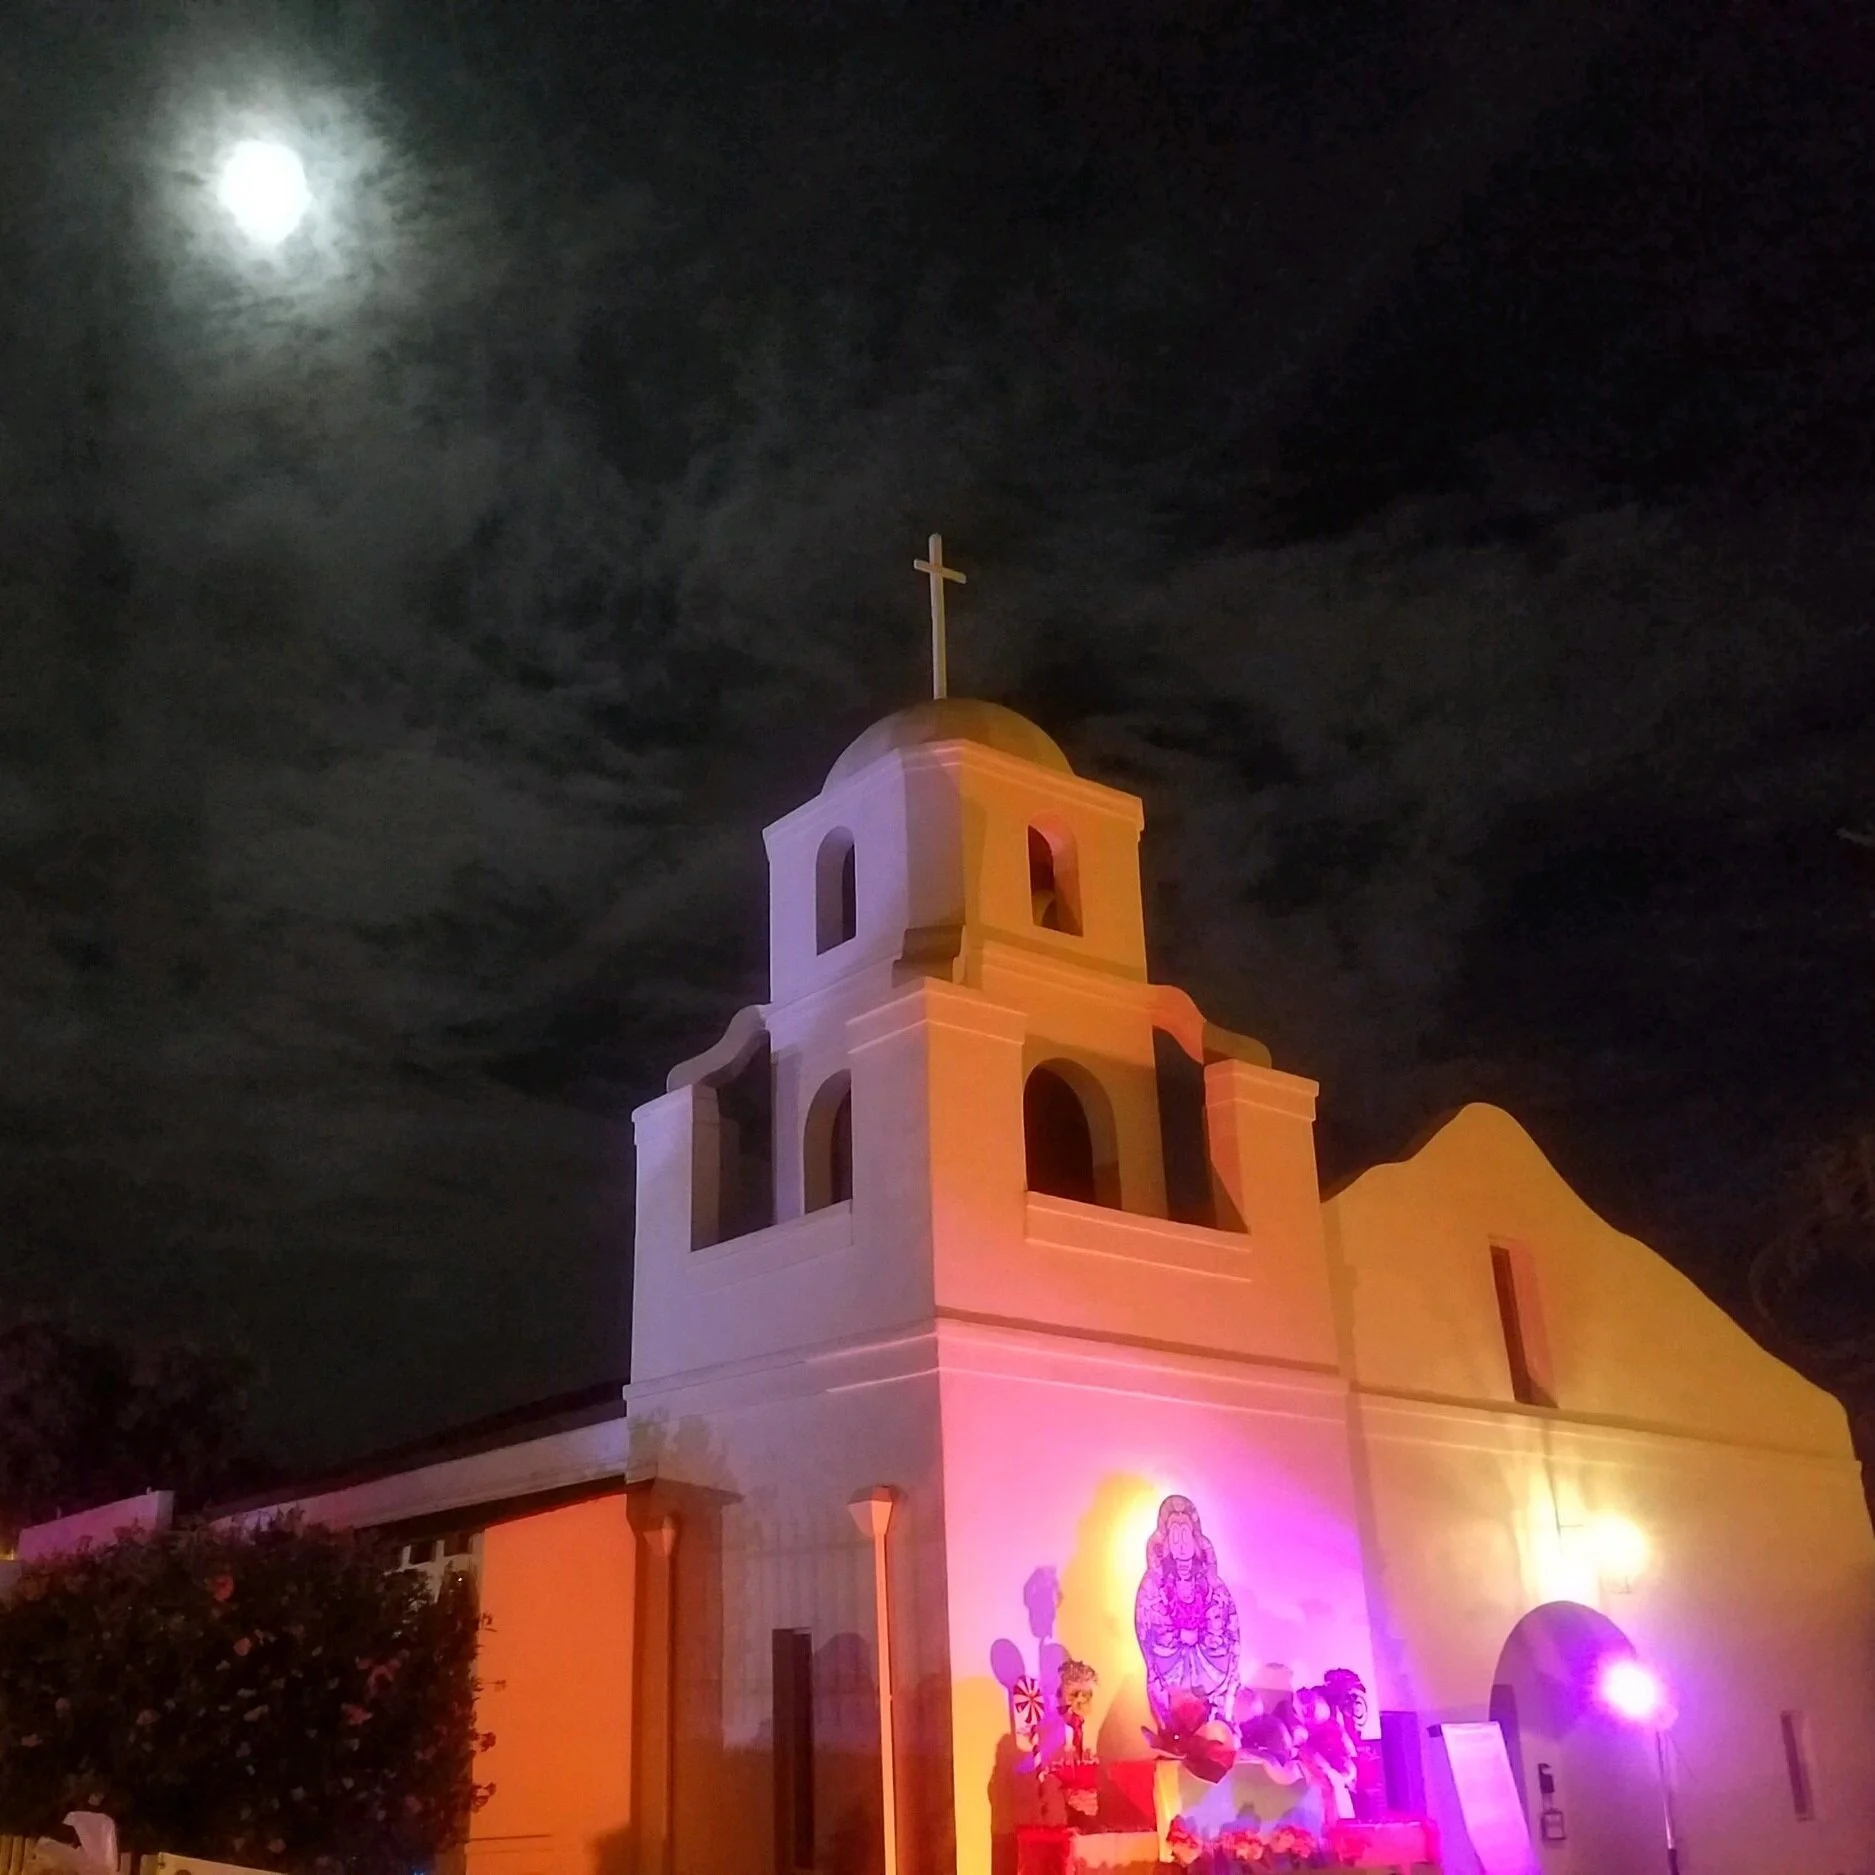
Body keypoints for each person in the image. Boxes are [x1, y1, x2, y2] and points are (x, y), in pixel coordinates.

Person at [1133, 1495, 1241, 1724]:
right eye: (1174, 1533)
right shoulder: (1154, 1582)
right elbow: (1147, 1633)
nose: (1181, 1542)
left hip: (1208, 1654)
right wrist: (1175, 1637)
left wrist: (1205, 1634)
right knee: (1161, 1678)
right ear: (1165, 1542)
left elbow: (1229, 1630)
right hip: (1170, 1656)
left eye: (1186, 1532)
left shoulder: (1212, 1582)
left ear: (1196, 1538)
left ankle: (1215, 1725)